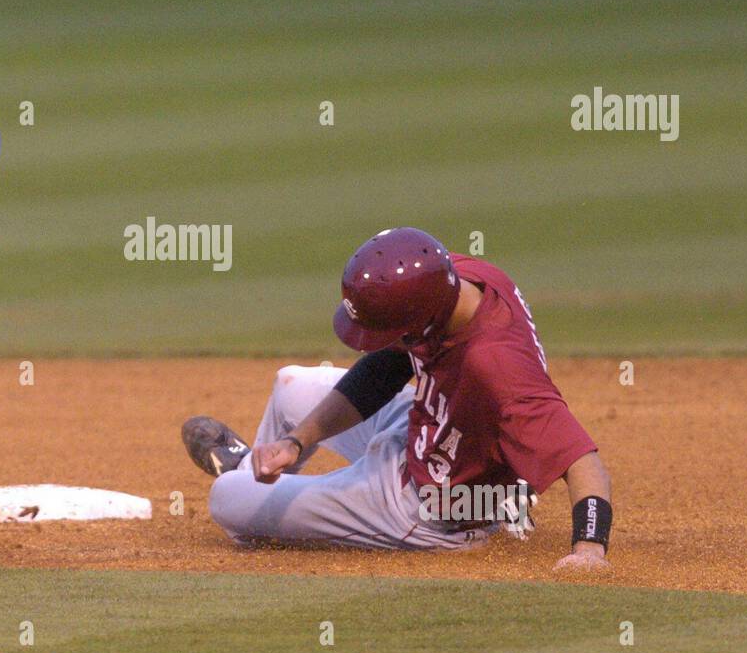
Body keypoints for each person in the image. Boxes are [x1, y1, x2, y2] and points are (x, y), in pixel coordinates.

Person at [182, 227, 612, 571]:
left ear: (421, 322)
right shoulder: (450, 281)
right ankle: (261, 472)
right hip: (422, 424)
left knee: (226, 495)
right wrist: (295, 442)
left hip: (425, 507)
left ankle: (247, 485)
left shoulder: (498, 368)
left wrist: (589, 549)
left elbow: (582, 461)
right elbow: (385, 369)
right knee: (289, 384)